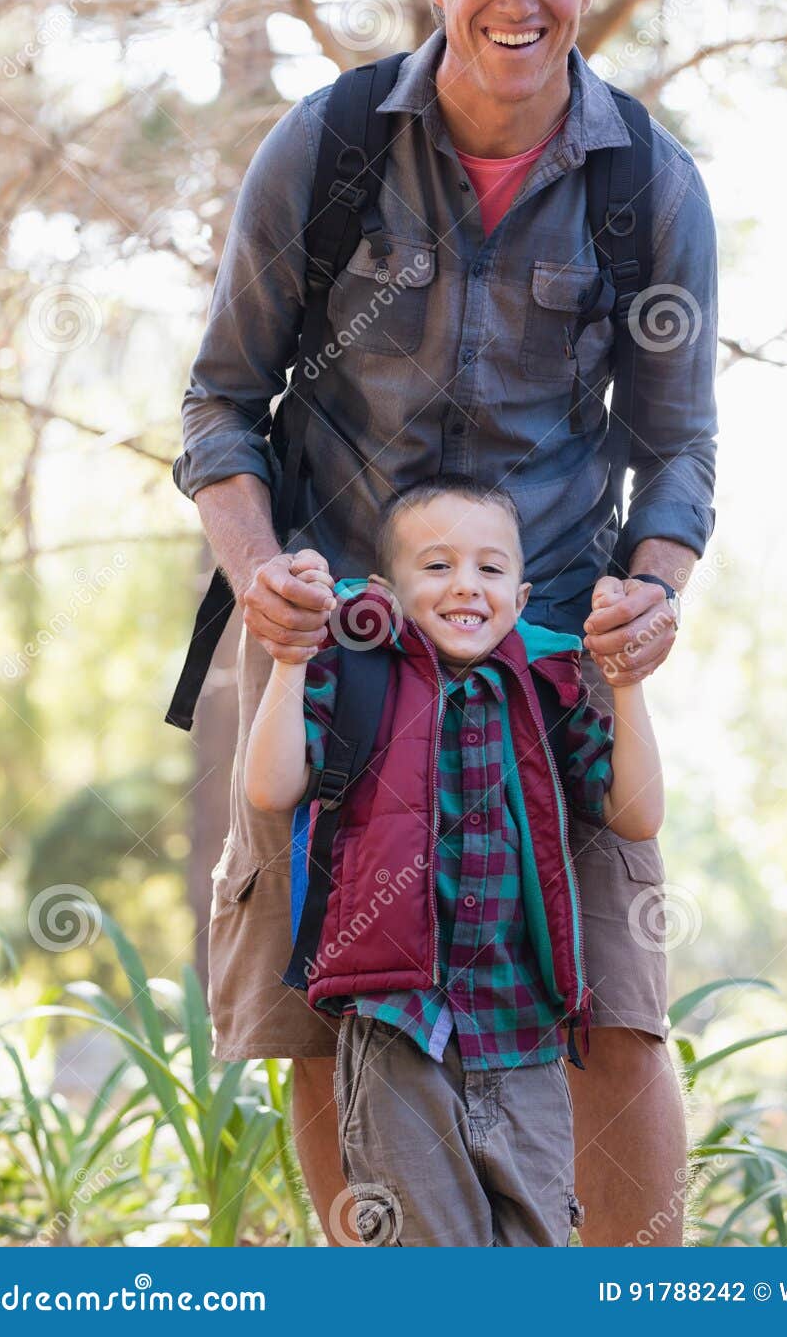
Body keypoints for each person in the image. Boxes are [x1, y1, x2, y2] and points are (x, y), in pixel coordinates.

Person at [174, 0, 718, 1246]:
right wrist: (265, 586)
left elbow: (677, 450)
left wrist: (647, 597)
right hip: (334, 641)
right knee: (320, 1010)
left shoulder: (644, 180)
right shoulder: (330, 142)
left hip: (546, 658)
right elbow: (222, 406)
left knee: (613, 1010)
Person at [241, 477, 664, 1247]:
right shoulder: (356, 676)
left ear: (523, 592)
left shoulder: (547, 688)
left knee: (535, 1255)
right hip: (399, 1024)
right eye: (435, 566)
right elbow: (271, 788)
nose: (466, 584)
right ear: (386, 591)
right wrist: (290, 658)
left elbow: (633, 815)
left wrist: (626, 689)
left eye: (490, 569)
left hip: (524, 1029)